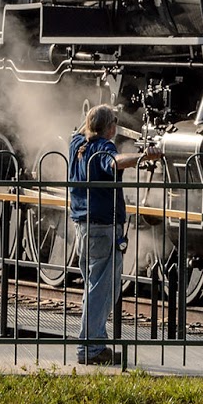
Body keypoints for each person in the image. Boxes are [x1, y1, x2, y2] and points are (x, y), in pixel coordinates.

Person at [68, 104, 155, 365]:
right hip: (103, 228)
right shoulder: (103, 148)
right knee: (102, 289)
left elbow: (82, 130)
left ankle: (93, 342)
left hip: (83, 226)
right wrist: (143, 158)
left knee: (93, 286)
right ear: (111, 128)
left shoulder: (76, 143)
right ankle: (91, 348)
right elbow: (114, 162)